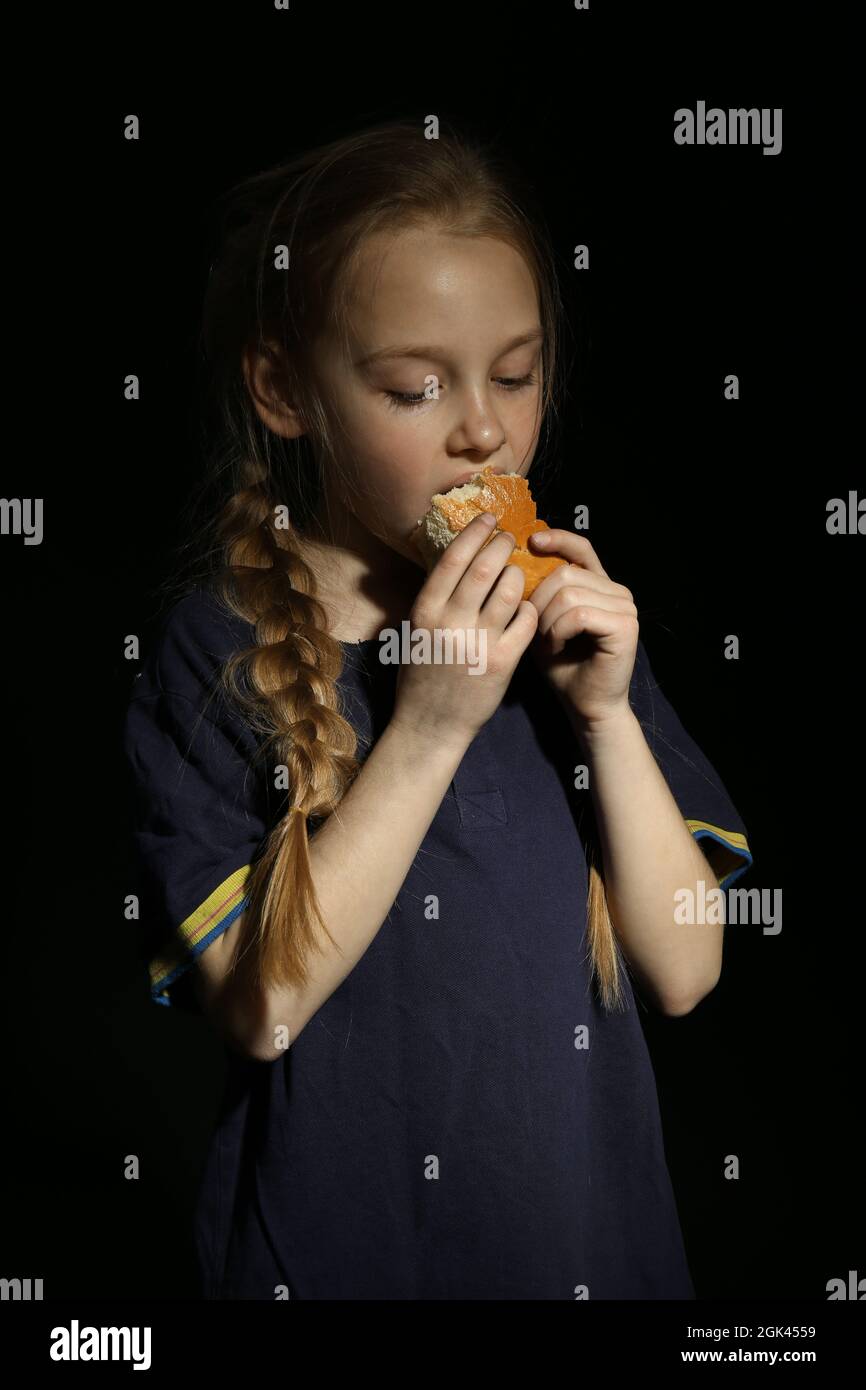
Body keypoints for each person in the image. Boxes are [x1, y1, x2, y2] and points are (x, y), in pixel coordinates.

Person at [122, 118, 753, 1300]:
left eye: (514, 374)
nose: (482, 427)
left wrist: (608, 719)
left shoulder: (564, 623)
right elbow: (261, 1012)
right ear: (282, 389)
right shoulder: (215, 649)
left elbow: (683, 971)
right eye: (415, 386)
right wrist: (430, 723)